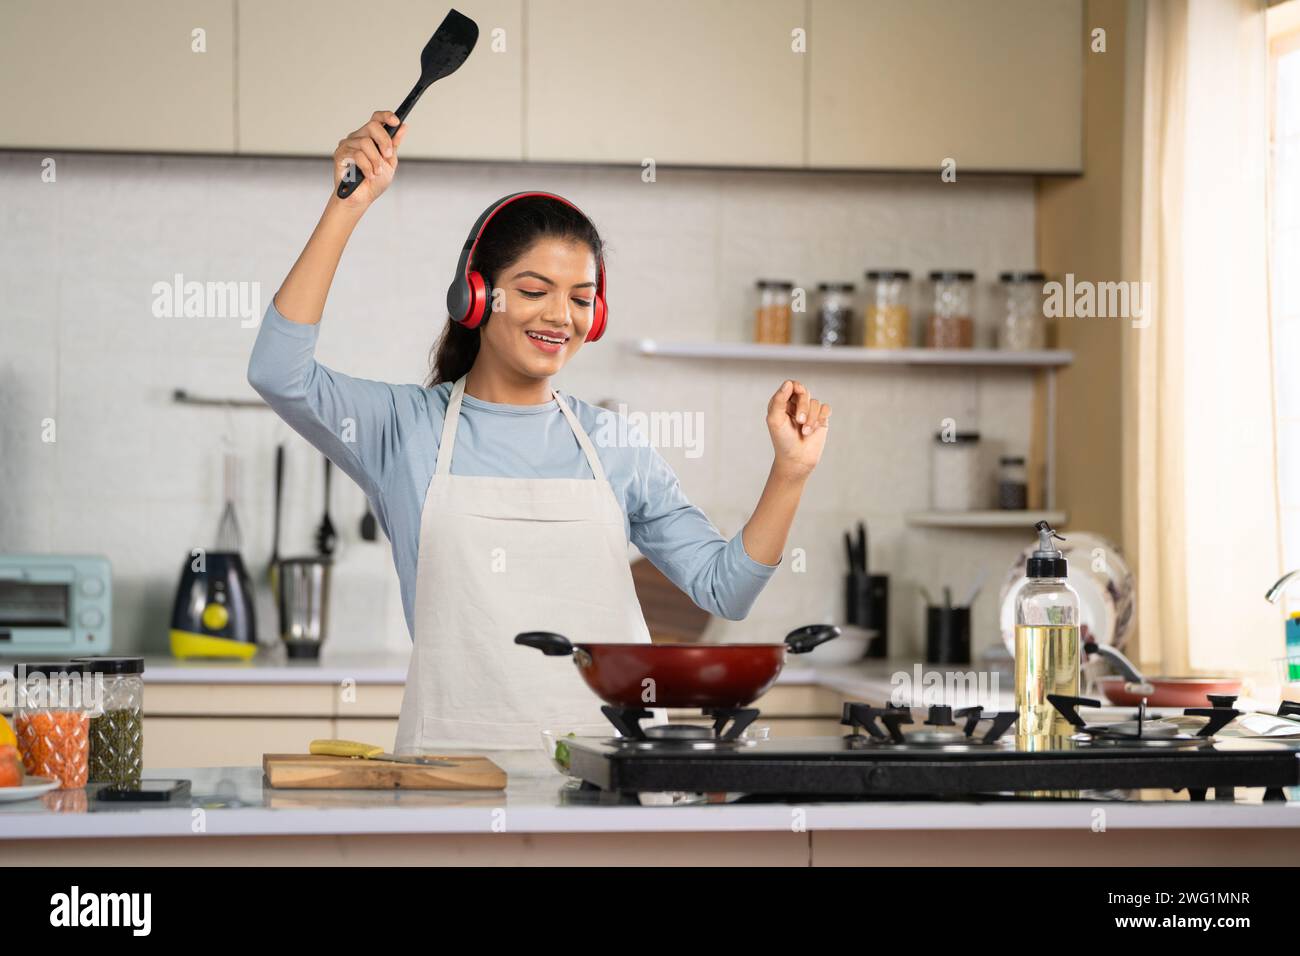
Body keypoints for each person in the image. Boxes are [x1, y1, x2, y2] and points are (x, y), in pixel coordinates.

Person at [248, 111, 833, 752]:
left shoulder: (612, 443)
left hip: (610, 776)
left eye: (582, 298)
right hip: (454, 774)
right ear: (476, 297)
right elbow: (280, 372)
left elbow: (726, 590)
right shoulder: (402, 429)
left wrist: (790, 472)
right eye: (534, 290)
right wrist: (346, 207)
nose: (561, 316)